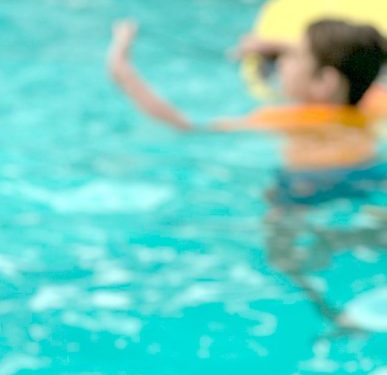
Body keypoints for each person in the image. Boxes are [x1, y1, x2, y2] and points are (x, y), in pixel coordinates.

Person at [108, 18, 387, 329]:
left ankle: (334, 315)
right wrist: (272, 47)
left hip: (305, 188)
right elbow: (348, 64)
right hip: (371, 174)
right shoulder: (375, 100)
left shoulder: (283, 119)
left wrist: (122, 70)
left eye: (295, 57)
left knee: (283, 259)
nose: (283, 63)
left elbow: (185, 127)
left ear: (325, 81)